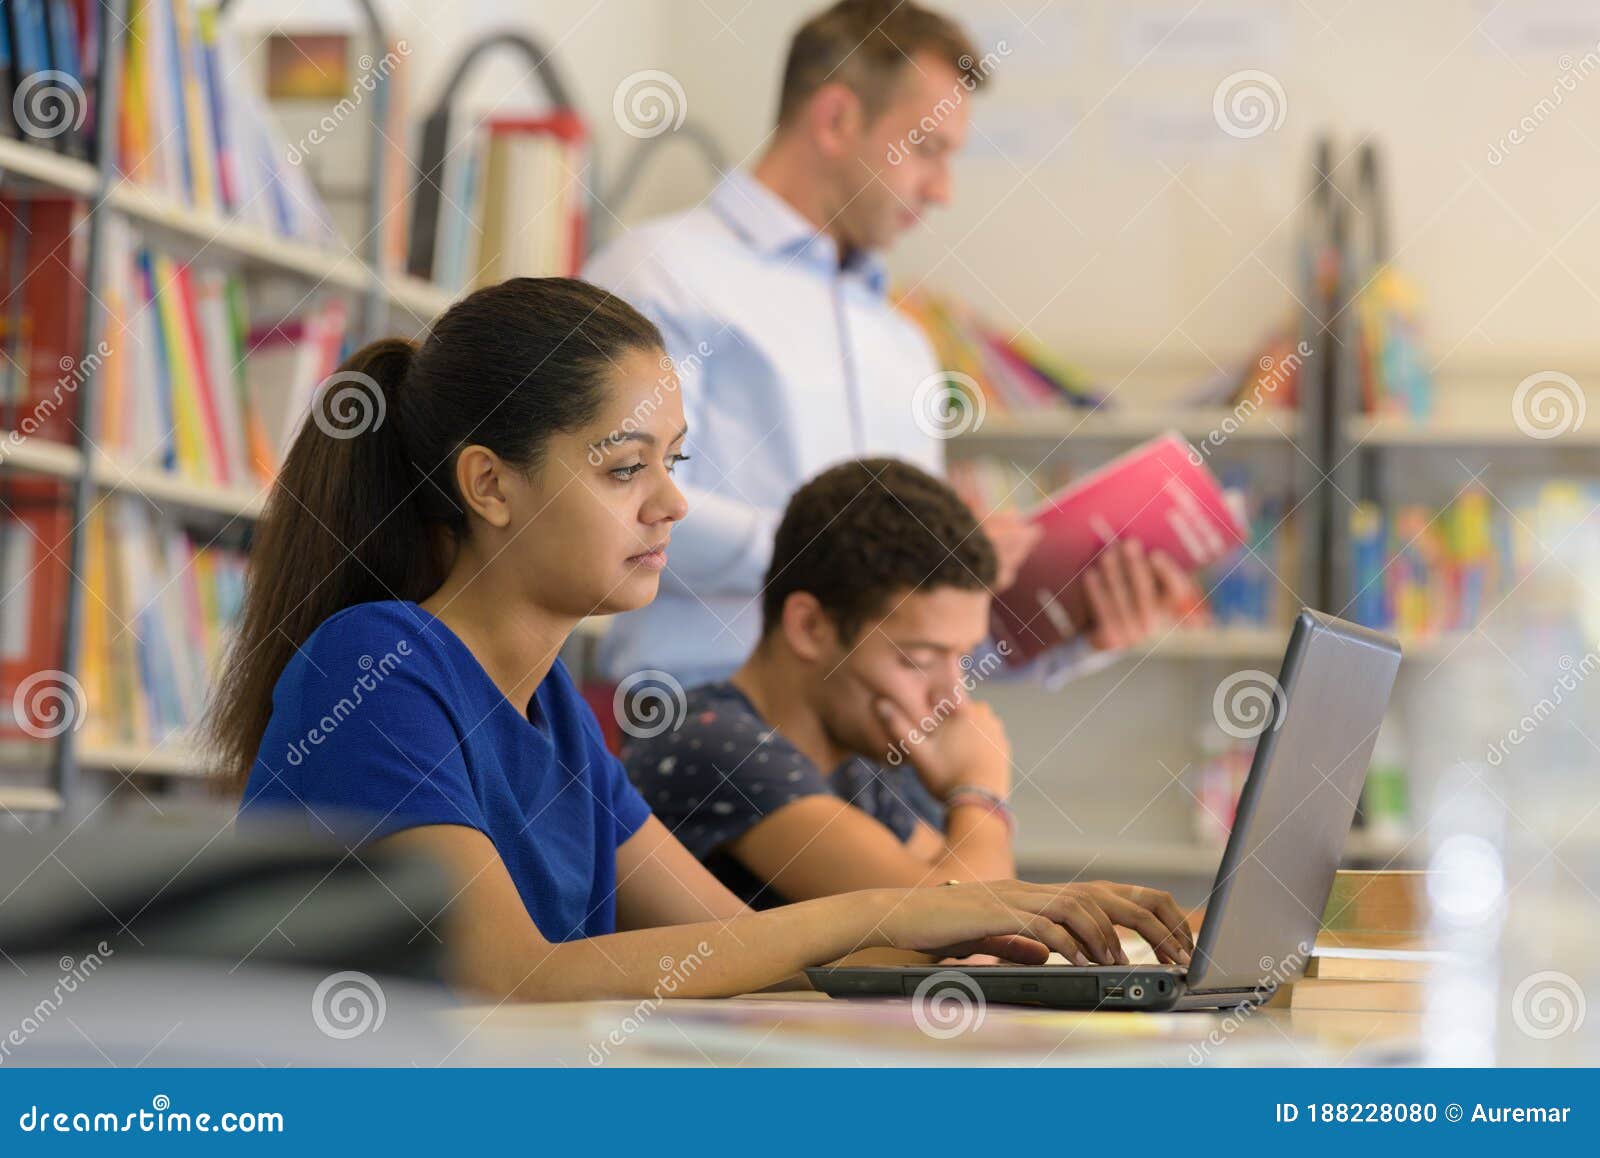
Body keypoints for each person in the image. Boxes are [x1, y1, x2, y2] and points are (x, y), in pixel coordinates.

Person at [212, 277, 1195, 1002]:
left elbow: (741, 951)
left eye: (671, 464)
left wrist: (1010, 933)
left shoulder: (549, 710)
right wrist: (898, 909)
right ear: (489, 484)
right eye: (623, 469)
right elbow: (512, 979)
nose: (671, 502)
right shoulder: (378, 666)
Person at [585, 0, 1192, 689]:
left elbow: (916, 623)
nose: (942, 190)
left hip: (887, 742)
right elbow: (619, 506)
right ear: (837, 120)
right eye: (927, 149)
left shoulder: (901, 340)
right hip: (707, 730)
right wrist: (881, 562)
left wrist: (1068, 631)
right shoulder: (657, 274)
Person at [624, 455, 1190, 970]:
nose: (953, 696)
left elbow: (972, 905)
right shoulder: (712, 744)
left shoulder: (863, 756)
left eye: (963, 658)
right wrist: (979, 792)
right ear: (809, 626)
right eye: (920, 659)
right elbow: (965, 928)